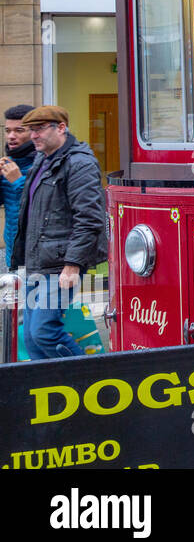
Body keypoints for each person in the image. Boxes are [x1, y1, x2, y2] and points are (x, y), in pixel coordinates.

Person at [11, 106, 109, 359]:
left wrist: (73, 265)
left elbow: (89, 219)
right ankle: (49, 392)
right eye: (31, 130)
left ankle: (90, 382)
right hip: (39, 263)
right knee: (31, 337)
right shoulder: (42, 160)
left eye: (39, 129)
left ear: (61, 128)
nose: (33, 136)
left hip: (60, 265)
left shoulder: (79, 163)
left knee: (45, 331)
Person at [1, 103, 36, 270]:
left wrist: (17, 181)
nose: (11, 136)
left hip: (40, 257)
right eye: (8, 131)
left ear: (34, 132)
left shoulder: (45, 162)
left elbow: (43, 205)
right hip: (13, 255)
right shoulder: (8, 165)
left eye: (19, 130)